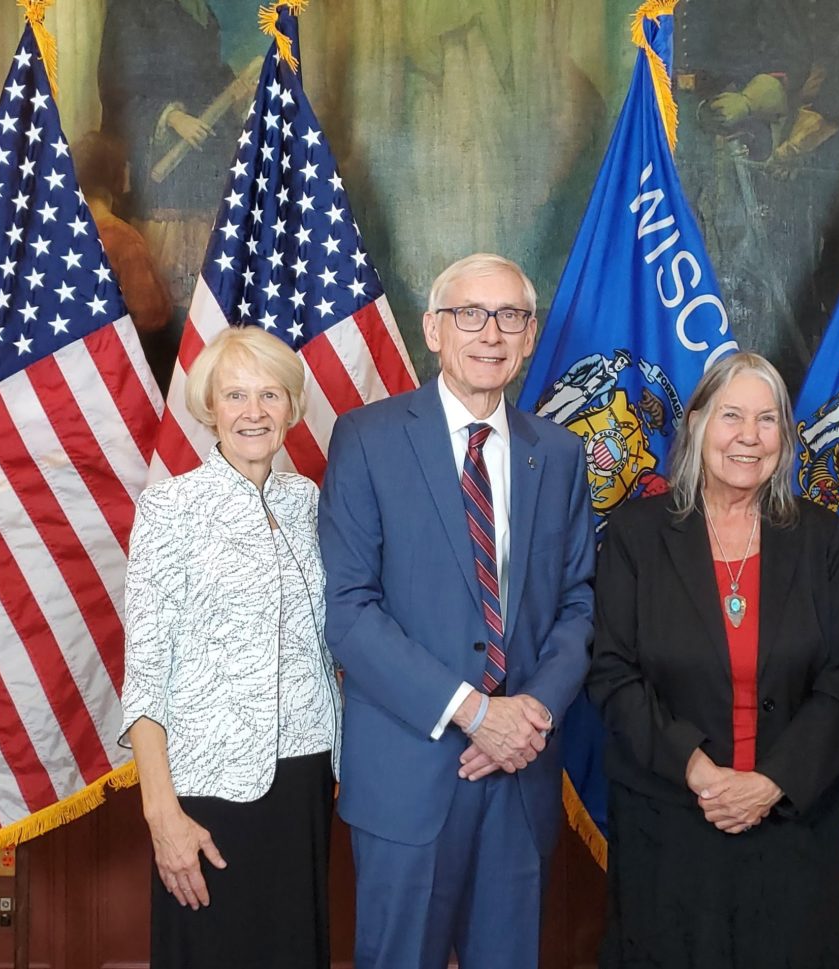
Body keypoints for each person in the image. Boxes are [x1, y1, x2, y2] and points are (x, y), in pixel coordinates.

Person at [319, 253, 596, 968]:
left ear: (531, 336)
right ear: (434, 330)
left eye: (510, 316)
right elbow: (350, 611)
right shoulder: (367, 438)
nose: (490, 333)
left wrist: (528, 714)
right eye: (470, 314)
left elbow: (577, 603)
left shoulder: (560, 454)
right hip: (408, 779)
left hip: (521, 775)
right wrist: (476, 712)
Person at [587, 351, 839, 967]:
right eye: (731, 416)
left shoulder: (822, 537)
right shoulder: (636, 534)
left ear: (784, 438)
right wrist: (701, 773)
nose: (749, 436)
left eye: (767, 420)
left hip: (791, 824)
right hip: (669, 822)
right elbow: (612, 674)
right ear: (695, 425)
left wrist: (771, 782)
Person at [120, 326, 339, 969]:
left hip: (305, 775)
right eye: (236, 395)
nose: (254, 412)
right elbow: (146, 671)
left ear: (292, 409)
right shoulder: (171, 507)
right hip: (208, 789)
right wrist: (163, 815)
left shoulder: (309, 502)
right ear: (210, 408)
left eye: (270, 395)